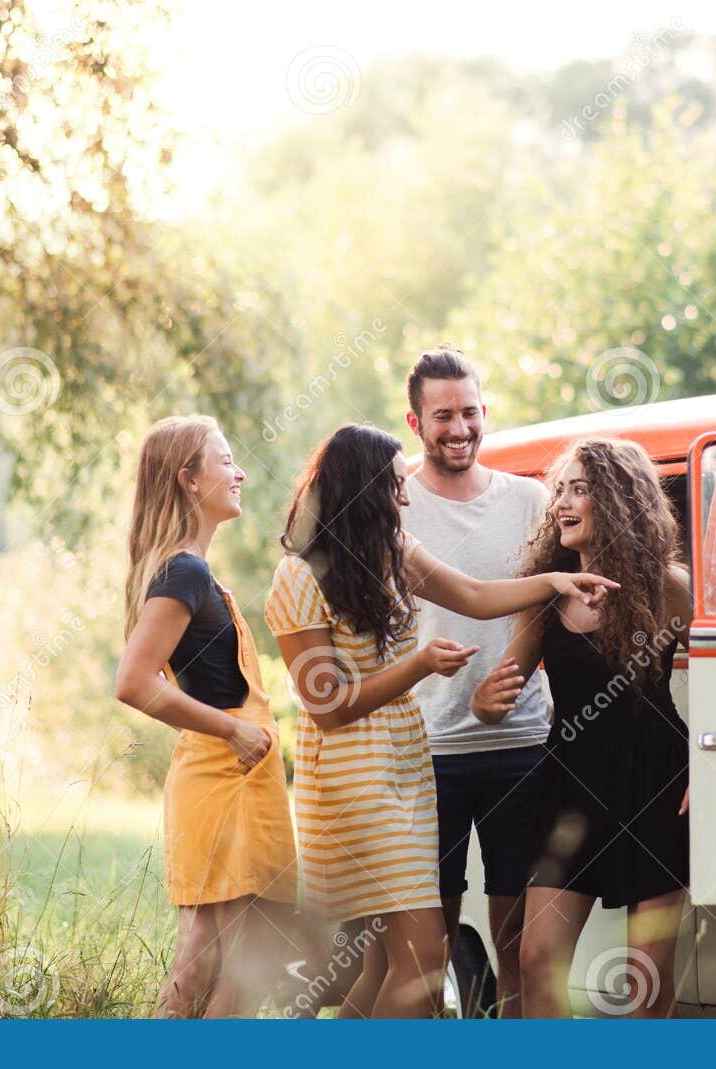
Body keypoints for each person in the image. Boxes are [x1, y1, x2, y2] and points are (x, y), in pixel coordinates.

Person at [264, 423, 617, 1018]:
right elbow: (327, 707)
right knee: (426, 956)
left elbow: (477, 595)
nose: (405, 497)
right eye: (393, 486)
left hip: (407, 763)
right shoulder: (298, 578)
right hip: (355, 776)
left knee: (383, 961)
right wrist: (422, 664)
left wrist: (553, 580)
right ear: (361, 490)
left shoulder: (392, 552)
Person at [472, 437, 693, 1018]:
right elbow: (502, 690)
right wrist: (484, 701)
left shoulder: (669, 587)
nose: (562, 503)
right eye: (559, 491)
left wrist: (712, 762)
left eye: (579, 489)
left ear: (618, 500)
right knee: (537, 958)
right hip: (571, 788)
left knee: (643, 981)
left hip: (657, 784)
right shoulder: (545, 592)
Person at [114, 415, 298, 1018]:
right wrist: (233, 728)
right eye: (224, 460)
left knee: (236, 954)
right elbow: (135, 684)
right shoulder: (184, 571)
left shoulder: (190, 567)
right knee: (215, 954)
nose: (239, 471)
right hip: (222, 775)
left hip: (231, 775)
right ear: (189, 480)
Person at [398, 347, 551, 1017]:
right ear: (415, 421)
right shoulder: (393, 503)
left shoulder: (528, 498)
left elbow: (541, 603)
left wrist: (504, 682)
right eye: (442, 416)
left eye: (469, 412)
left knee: (518, 937)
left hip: (522, 745)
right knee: (427, 943)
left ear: (485, 411)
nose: (458, 427)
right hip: (427, 750)